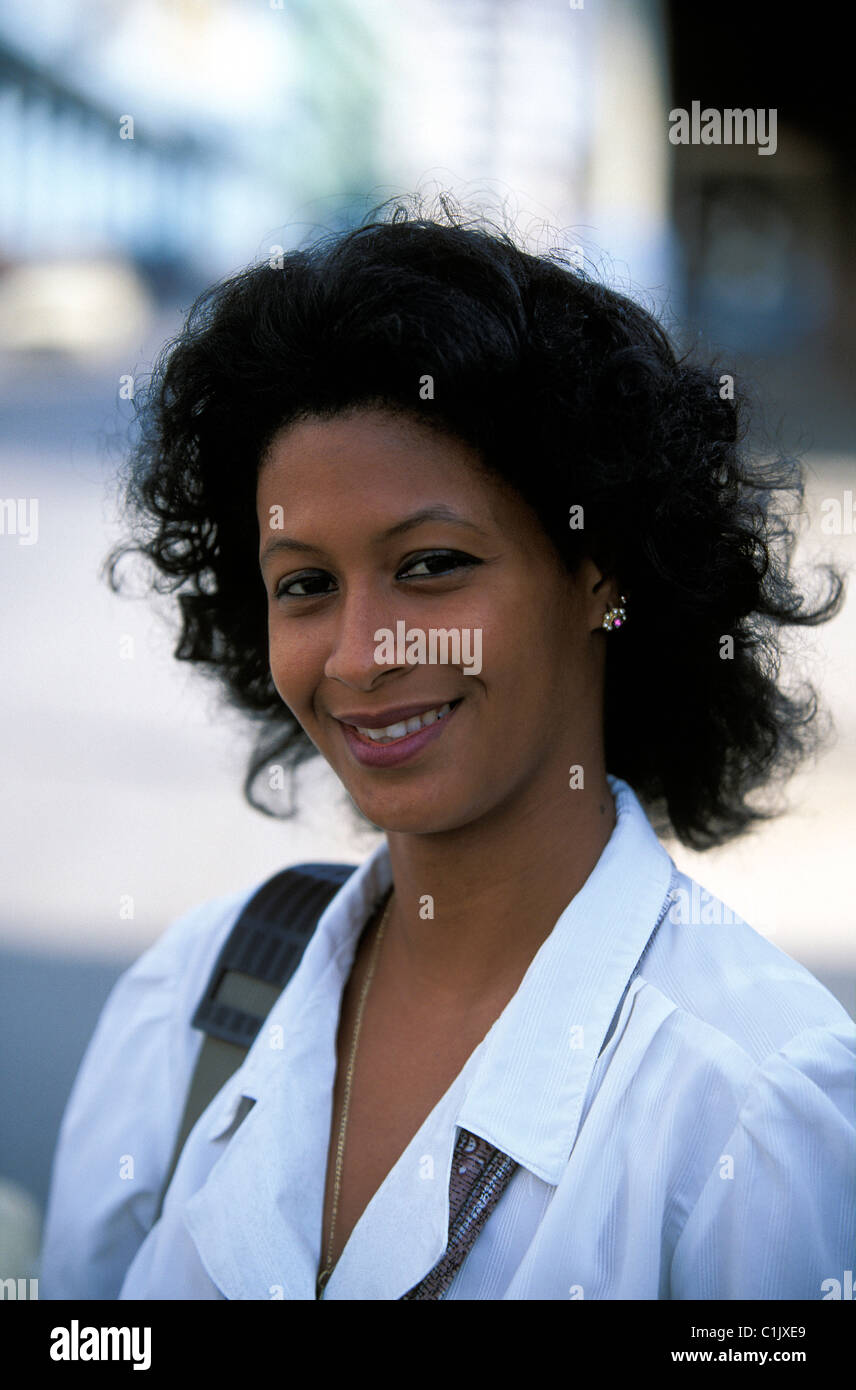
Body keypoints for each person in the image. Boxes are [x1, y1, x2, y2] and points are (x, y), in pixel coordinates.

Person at [39, 196, 855, 1300]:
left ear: (599, 575)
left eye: (430, 565)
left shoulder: (753, 1099)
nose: (361, 655)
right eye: (305, 584)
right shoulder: (190, 1000)